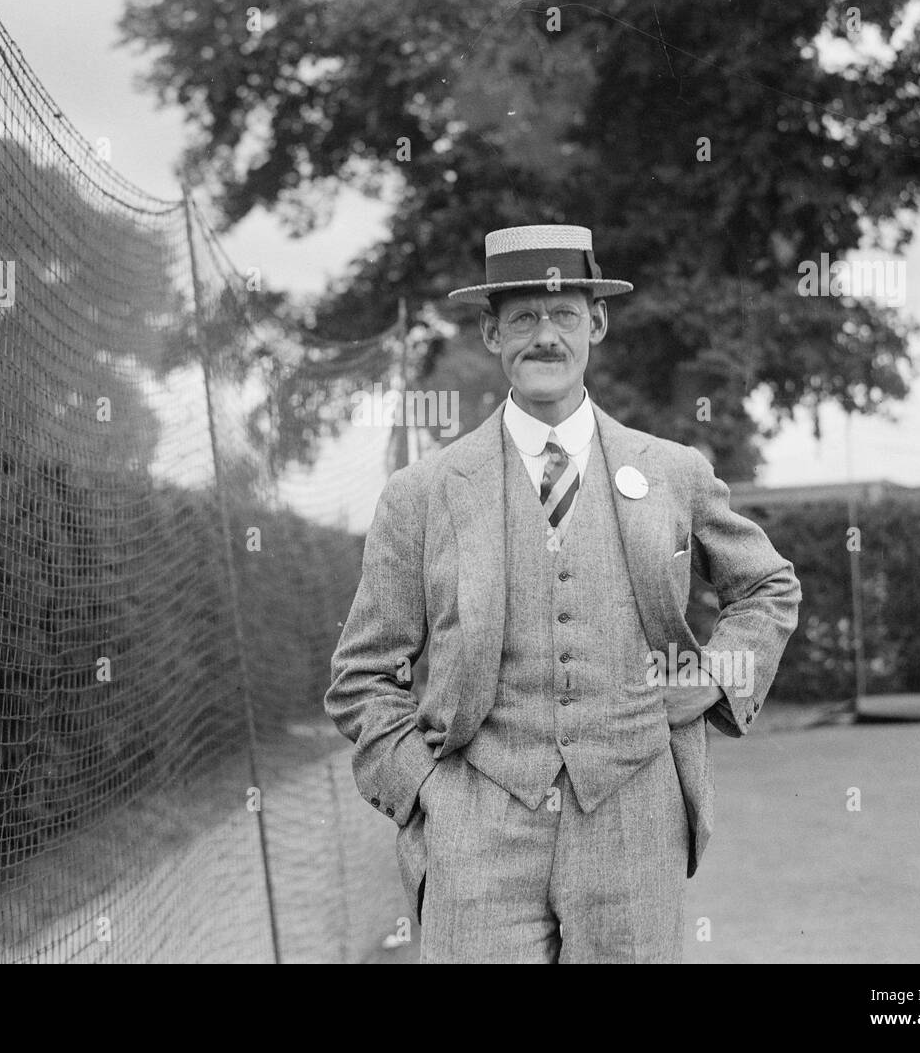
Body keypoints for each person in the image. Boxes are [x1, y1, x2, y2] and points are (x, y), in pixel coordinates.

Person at [325, 223, 801, 963]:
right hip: (476, 821)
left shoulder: (672, 471)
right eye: (522, 317)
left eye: (564, 315)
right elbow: (361, 676)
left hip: (634, 814)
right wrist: (425, 791)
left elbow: (768, 587)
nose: (544, 336)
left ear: (596, 323)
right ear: (491, 332)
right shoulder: (420, 496)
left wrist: (712, 676)